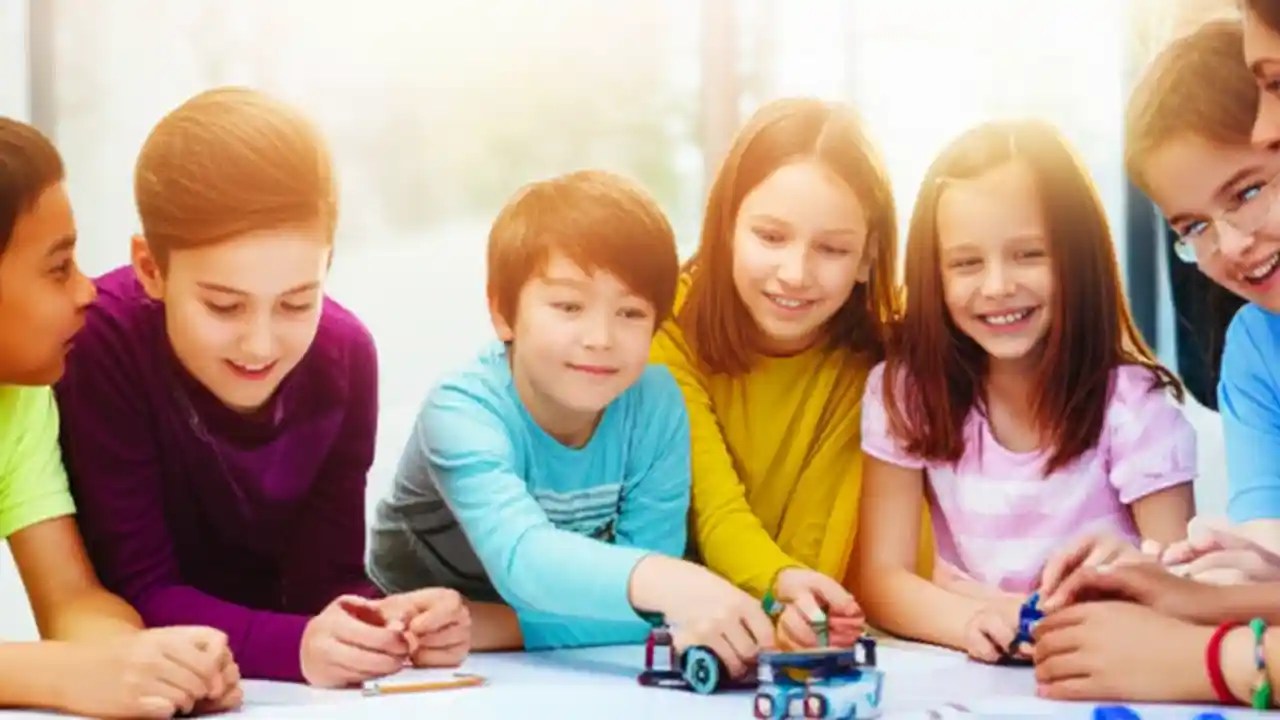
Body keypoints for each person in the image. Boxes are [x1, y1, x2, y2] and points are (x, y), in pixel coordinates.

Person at [55, 87, 469, 687]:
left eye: (298, 302)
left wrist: (389, 620)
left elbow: (323, 581)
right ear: (151, 267)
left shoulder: (345, 354)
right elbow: (135, 593)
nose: (261, 344)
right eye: (224, 306)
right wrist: (297, 647)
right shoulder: (101, 344)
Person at [369, 169, 777, 678]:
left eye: (630, 313)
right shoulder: (461, 410)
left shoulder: (656, 404)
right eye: (568, 306)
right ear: (502, 312)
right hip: (411, 642)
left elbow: (642, 614)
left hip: (502, 641)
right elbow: (529, 560)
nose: (601, 337)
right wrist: (676, 587)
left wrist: (499, 627)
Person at [853, 119, 1195, 664]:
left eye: (1029, 254)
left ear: (1076, 256)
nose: (997, 287)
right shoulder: (906, 392)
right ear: (933, 273)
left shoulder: (1133, 408)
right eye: (966, 263)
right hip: (966, 669)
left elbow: (1181, 585)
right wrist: (983, 621)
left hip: (1101, 666)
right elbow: (881, 578)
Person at [649, 97, 932, 652]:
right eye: (770, 237)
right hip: (700, 628)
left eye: (832, 248)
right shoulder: (665, 333)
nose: (795, 274)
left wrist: (802, 603)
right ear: (727, 226)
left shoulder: (882, 356)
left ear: (869, 257)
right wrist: (782, 586)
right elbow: (716, 508)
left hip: (834, 629)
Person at [0, 115, 240, 718]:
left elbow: (72, 599)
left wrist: (149, 660)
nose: (87, 291)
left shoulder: (20, 400)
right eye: (58, 269)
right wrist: (59, 675)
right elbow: (61, 663)